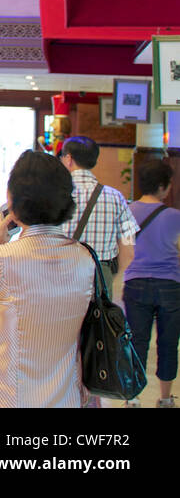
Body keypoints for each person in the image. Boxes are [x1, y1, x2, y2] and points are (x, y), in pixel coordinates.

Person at [0, 150, 95, 408]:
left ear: (12, 201)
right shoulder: (85, 258)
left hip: (6, 395)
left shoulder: (1, 258)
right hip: (65, 395)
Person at [122, 160, 180, 408]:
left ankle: (132, 398)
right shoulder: (175, 216)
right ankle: (165, 398)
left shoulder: (128, 211)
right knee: (168, 342)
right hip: (170, 285)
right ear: (162, 186)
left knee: (136, 341)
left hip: (136, 283)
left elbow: (125, 253)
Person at [58, 135, 137, 293]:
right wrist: (117, 279)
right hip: (100, 275)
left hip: (61, 272)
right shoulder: (116, 197)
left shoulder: (55, 194)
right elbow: (129, 245)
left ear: (68, 159)